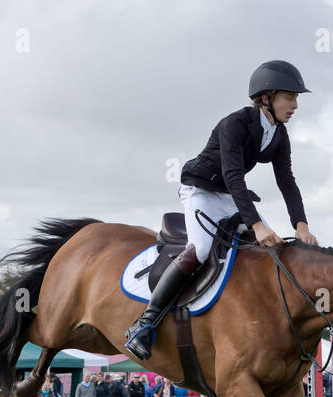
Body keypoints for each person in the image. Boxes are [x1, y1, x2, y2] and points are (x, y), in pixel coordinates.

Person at [125, 60, 319, 359]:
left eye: (296, 99)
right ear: (266, 97)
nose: (295, 105)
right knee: (201, 249)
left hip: (229, 194)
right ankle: (145, 323)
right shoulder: (235, 124)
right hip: (200, 189)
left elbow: (287, 181)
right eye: (290, 97)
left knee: (271, 250)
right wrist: (257, 225)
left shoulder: (279, 134)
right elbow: (233, 176)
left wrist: (301, 225)